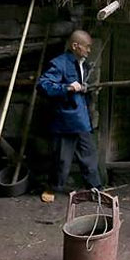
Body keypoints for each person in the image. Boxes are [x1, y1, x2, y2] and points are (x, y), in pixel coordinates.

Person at [37, 29, 102, 201]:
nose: (89, 50)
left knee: (89, 156)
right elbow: (43, 85)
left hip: (82, 119)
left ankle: (95, 189)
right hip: (65, 119)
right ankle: (53, 188)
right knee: (62, 160)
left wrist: (89, 89)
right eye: (87, 47)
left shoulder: (83, 64)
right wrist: (67, 87)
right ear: (75, 46)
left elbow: (81, 89)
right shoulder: (59, 63)